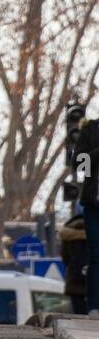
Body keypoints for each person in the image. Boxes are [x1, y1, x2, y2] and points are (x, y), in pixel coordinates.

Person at [74, 110, 99, 319]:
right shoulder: (90, 129)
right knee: (96, 255)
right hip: (94, 205)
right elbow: (81, 164)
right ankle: (94, 305)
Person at [58, 211, 89, 314]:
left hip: (74, 280)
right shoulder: (94, 227)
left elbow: (64, 256)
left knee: (79, 314)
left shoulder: (68, 232)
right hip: (94, 280)